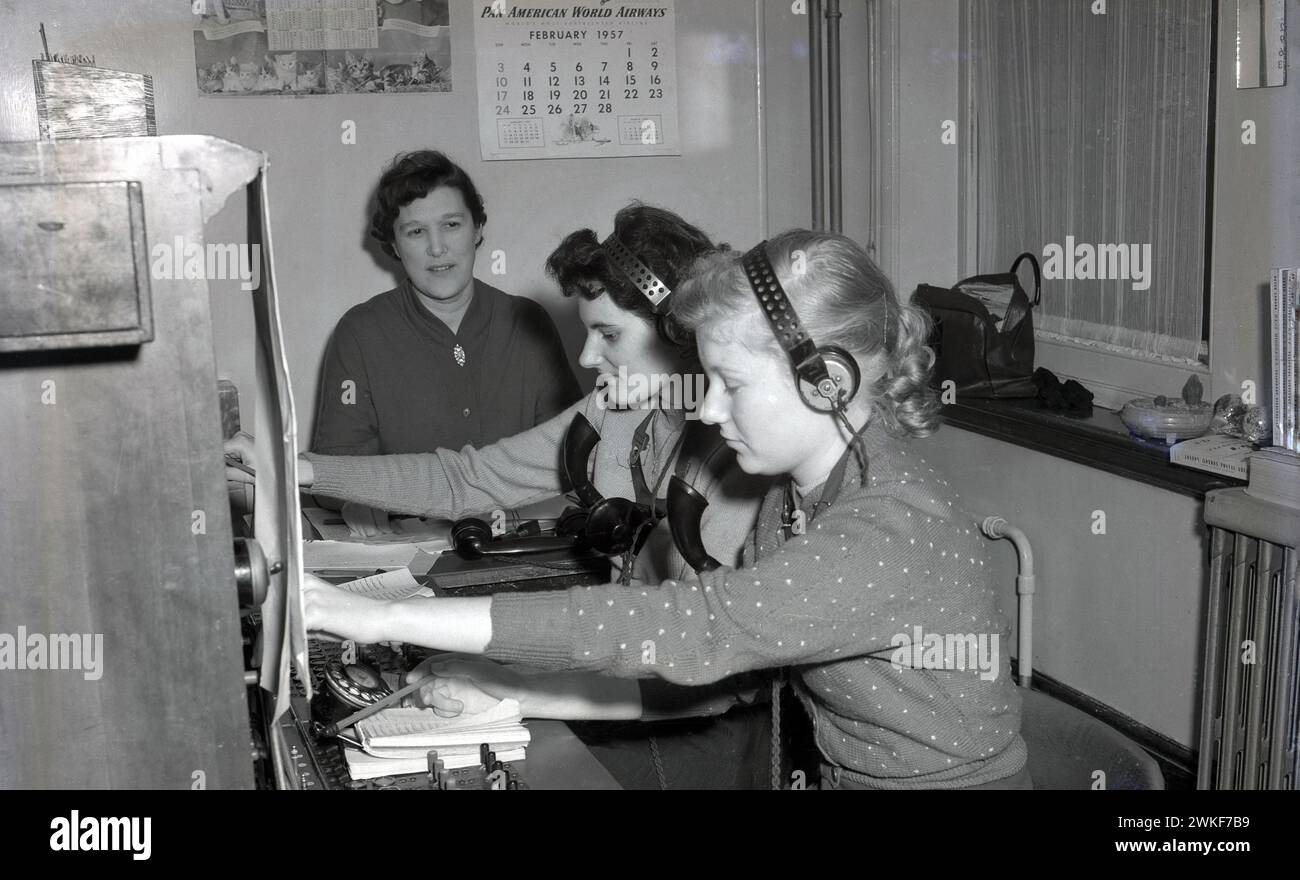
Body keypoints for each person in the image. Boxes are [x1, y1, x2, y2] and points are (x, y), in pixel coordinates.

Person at [299, 228, 1030, 789]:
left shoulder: (886, 525)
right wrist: (510, 692)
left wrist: (378, 617)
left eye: (730, 383)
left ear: (826, 381)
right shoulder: (796, 491)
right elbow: (718, 677)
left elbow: (690, 627)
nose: (708, 407)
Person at [231, 204, 776, 788]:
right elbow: (469, 479)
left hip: (700, 725)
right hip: (618, 676)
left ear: (680, 333)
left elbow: (702, 668)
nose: (589, 358)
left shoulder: (740, 461)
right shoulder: (618, 408)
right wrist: (297, 471)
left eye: (608, 334)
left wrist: (509, 685)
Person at [313, 150, 581, 531]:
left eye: (451, 225)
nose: (437, 248)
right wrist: (354, 500)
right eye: (416, 231)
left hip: (517, 538)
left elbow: (573, 452)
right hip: (409, 546)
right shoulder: (360, 331)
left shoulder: (528, 321)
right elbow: (334, 465)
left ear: (477, 229)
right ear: (393, 243)